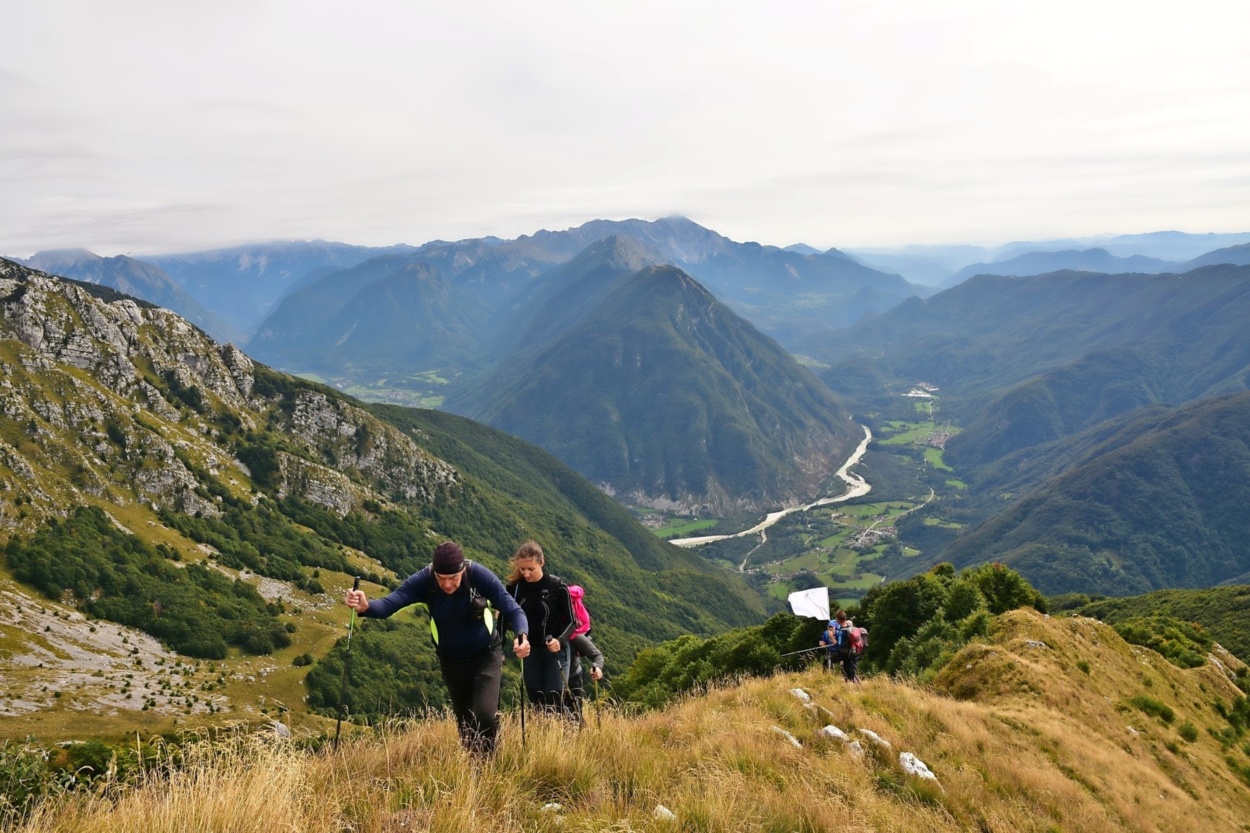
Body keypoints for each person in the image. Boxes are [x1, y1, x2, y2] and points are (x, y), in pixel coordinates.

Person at [344, 540, 530, 756]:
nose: (448, 585)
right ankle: (473, 769)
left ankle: (489, 764)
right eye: (442, 579)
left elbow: (513, 610)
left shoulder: (478, 575)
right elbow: (388, 605)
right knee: (465, 722)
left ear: (462, 570)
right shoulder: (424, 581)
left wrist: (522, 635)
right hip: (451, 661)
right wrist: (366, 606)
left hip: (486, 654)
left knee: (485, 715)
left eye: (453, 578)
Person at [506, 540, 576, 714]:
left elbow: (571, 621)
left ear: (541, 563)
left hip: (555, 651)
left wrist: (560, 641)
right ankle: (543, 738)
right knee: (536, 702)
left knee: (554, 701)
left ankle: (563, 735)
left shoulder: (557, 586)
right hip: (530, 652)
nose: (526, 574)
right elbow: (509, 620)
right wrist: (517, 636)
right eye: (522, 569)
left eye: (531, 569)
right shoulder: (515, 588)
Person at [564, 630, 605, 718]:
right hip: (558, 677)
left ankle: (579, 727)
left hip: (573, 677)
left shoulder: (574, 636)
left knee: (575, 711)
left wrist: (597, 667)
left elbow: (597, 655)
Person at [835, 609, 861, 684]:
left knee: (846, 670)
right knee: (853, 668)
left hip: (845, 653)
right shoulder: (851, 628)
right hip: (855, 651)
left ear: (837, 619)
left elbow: (839, 644)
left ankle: (851, 684)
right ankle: (856, 683)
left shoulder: (840, 631)